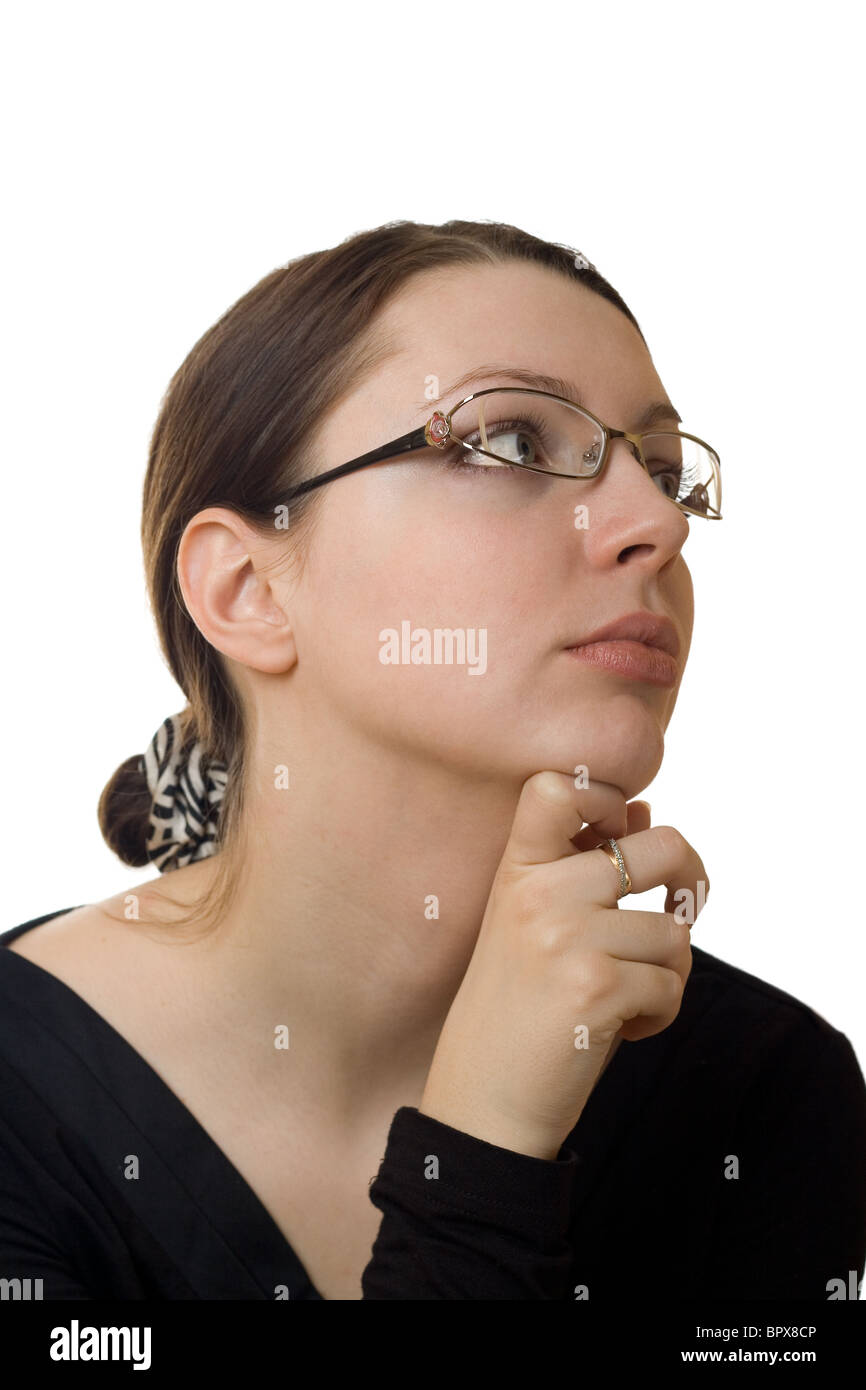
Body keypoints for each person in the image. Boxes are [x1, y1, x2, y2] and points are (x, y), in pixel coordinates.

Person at [1, 219, 864, 1302]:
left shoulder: (765, 1087)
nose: (657, 522)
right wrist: (485, 1149)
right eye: (507, 441)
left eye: (658, 469)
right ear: (247, 591)